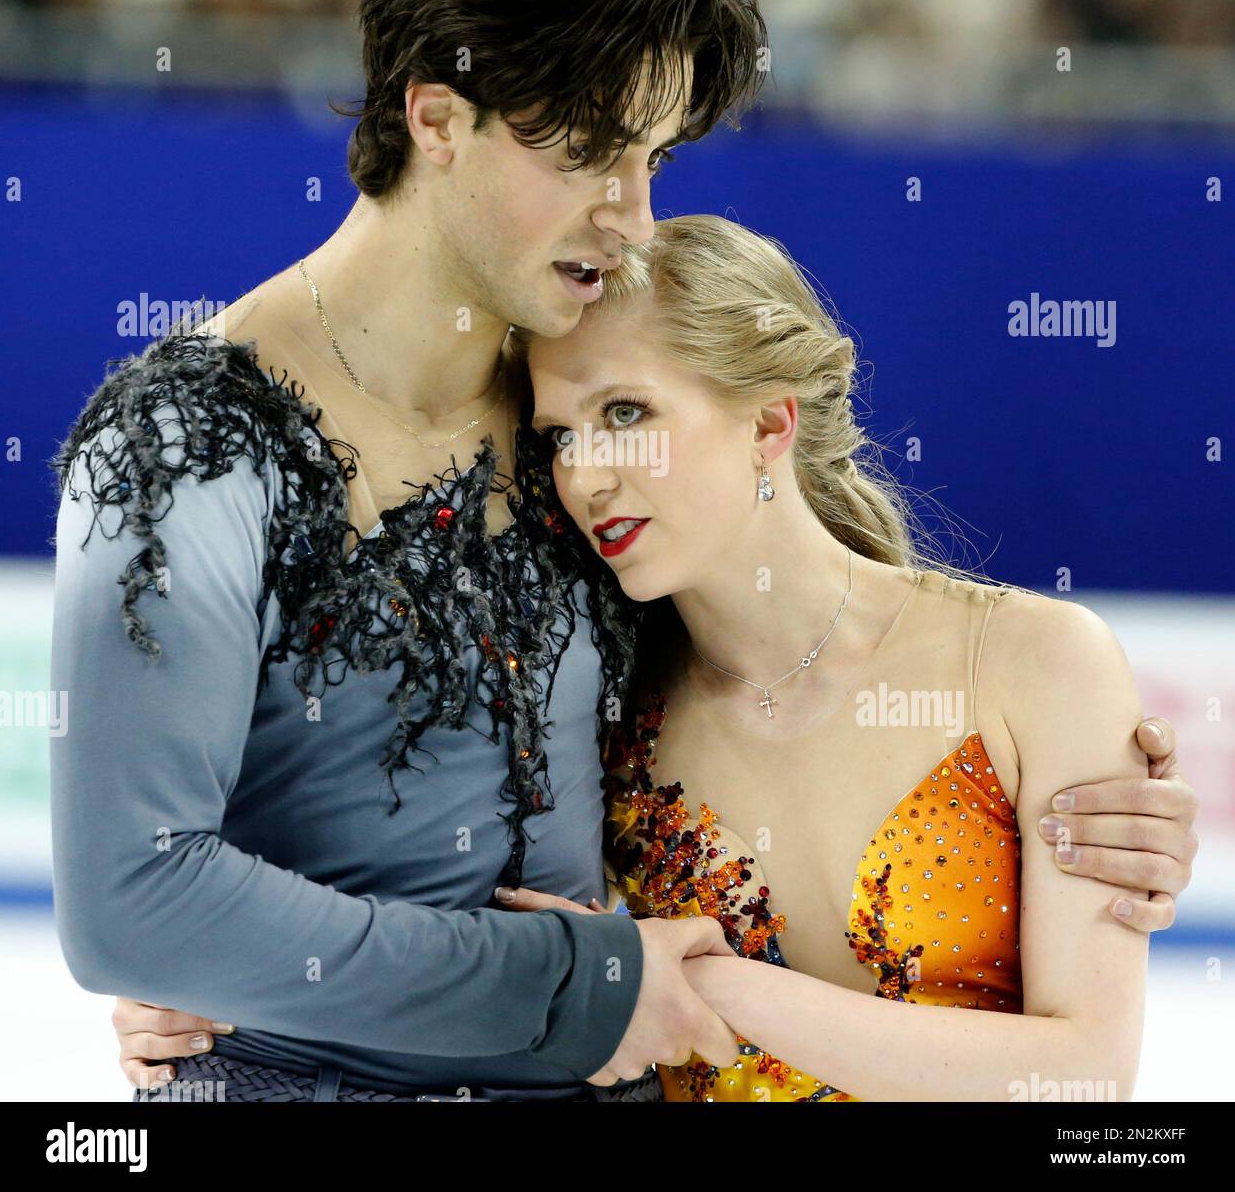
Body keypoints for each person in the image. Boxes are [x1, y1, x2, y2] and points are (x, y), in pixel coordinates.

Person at [74, 0, 1195, 1103]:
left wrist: (1091, 815)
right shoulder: (186, 437)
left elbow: (799, 649)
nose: (634, 217)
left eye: (652, 159)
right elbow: (137, 897)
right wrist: (552, 983)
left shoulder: (567, 400)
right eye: (595, 153)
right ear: (437, 120)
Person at [489, 214, 1175, 1099]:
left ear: (770, 421)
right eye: (559, 437)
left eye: (626, 412)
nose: (584, 478)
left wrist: (702, 980)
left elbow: (1085, 1079)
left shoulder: (1033, 662)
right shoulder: (597, 714)